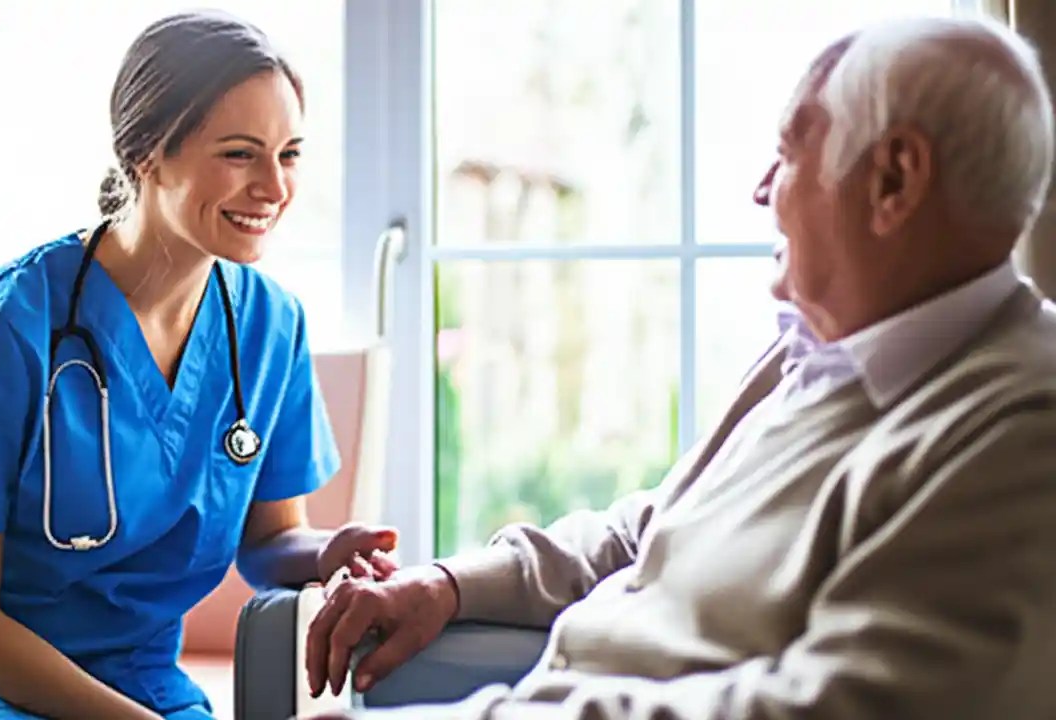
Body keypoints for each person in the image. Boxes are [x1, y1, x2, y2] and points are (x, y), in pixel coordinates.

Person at [304, 15, 1056, 720]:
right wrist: (448, 584)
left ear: (893, 181)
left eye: (792, 151)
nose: (763, 189)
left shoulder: (1018, 430)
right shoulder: (813, 355)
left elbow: (839, 705)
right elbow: (657, 527)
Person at [0, 10, 398, 720]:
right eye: (239, 154)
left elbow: (268, 541)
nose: (274, 187)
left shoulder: (269, 324)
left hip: (138, 686)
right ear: (146, 153)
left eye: (288, 154)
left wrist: (326, 553)